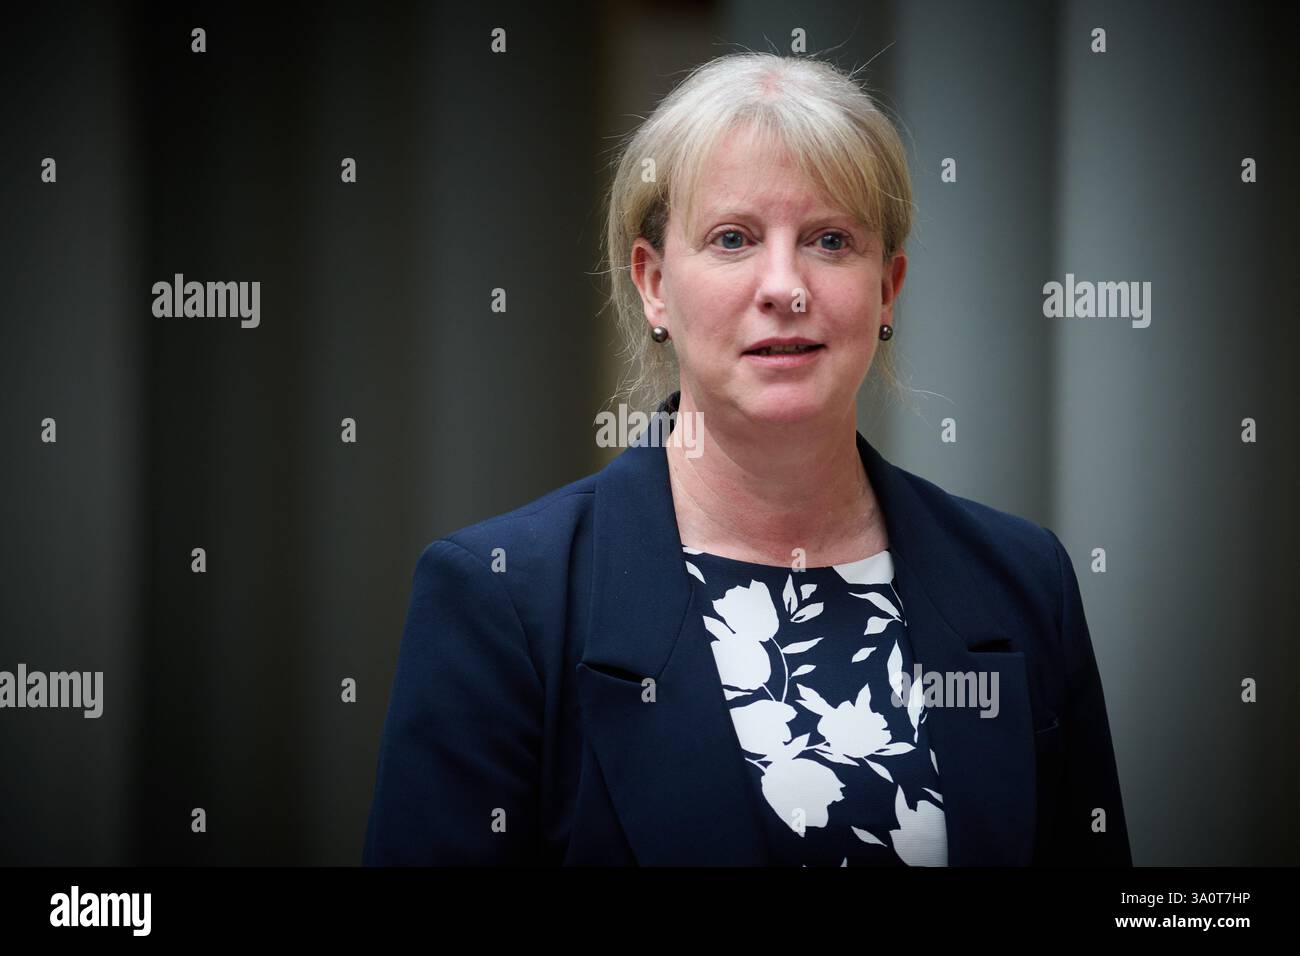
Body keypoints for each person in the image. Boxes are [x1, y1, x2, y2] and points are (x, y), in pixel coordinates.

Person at [362, 52, 1131, 866]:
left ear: (887, 288)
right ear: (654, 283)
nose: (784, 285)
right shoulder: (502, 597)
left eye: (830, 241)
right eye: (733, 239)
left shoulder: (1021, 579)